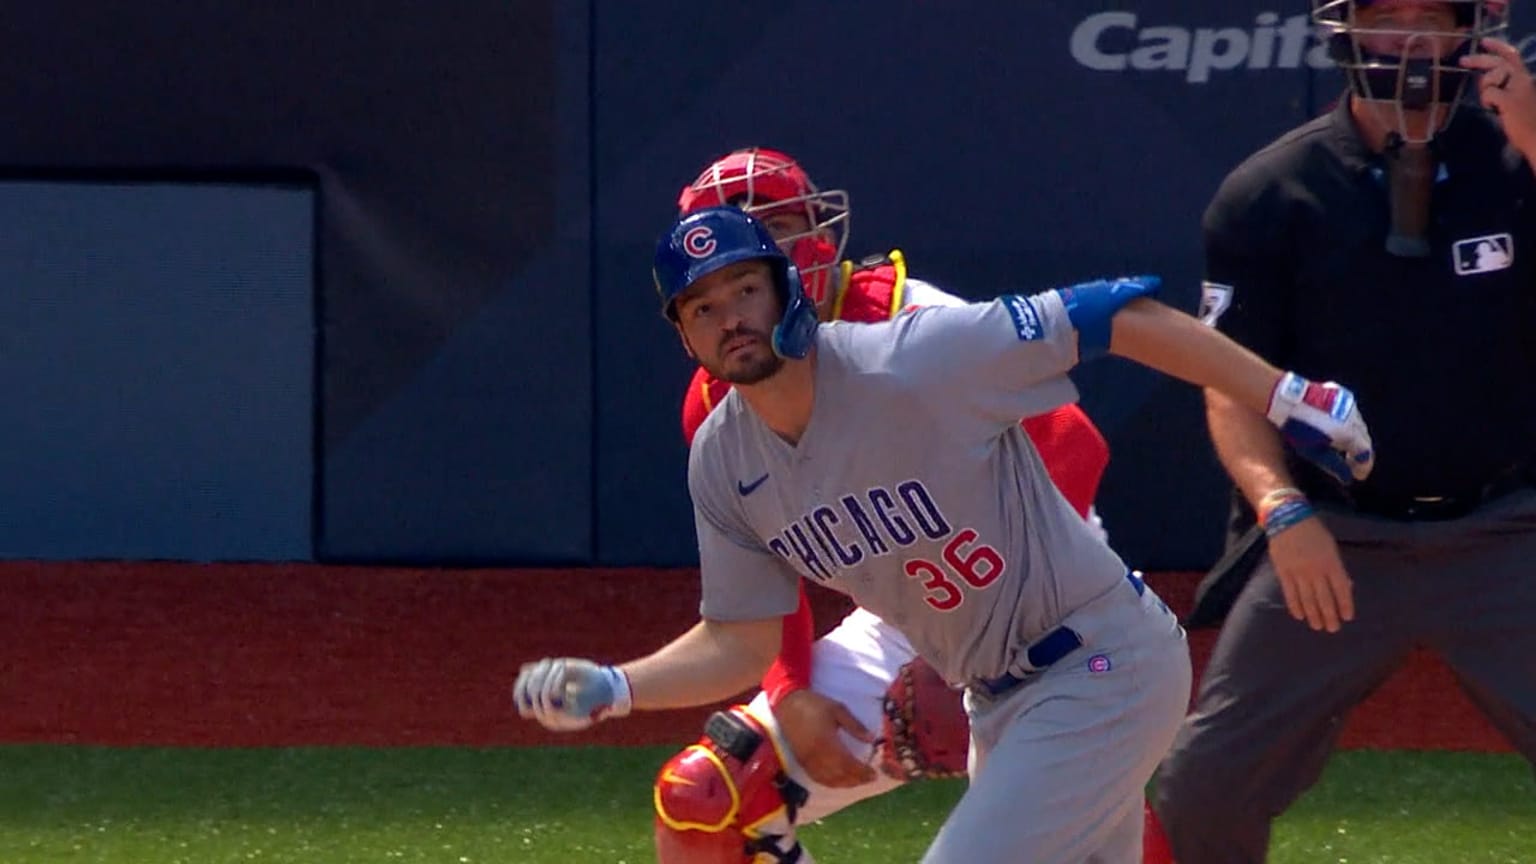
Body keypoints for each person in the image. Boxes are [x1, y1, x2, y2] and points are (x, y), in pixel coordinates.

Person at [516, 206, 1375, 863]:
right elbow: (737, 640)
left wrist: (1289, 396)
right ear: (683, 334)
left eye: (745, 287)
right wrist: (616, 687)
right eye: (702, 306)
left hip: (1100, 662)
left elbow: (1116, 313)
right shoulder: (722, 459)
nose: (730, 315)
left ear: (786, 286)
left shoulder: (909, 358)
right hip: (996, 700)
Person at [1152, 2, 1536, 861]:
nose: (1407, 43)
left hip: (1508, 528)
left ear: (1471, 32)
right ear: (1345, 33)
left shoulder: (1517, 155)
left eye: (1429, 19)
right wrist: (1281, 511)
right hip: (1334, 536)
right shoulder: (1270, 192)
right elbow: (1230, 381)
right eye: (1385, 18)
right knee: (1204, 786)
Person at [657, 147, 1117, 863]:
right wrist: (791, 695)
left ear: (817, 233)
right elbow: (762, 586)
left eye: (779, 229)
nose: (765, 255)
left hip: (1044, 597)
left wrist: (983, 644)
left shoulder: (908, 319)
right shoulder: (722, 401)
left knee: (1098, 839)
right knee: (705, 800)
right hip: (909, 607)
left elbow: (1072, 445)